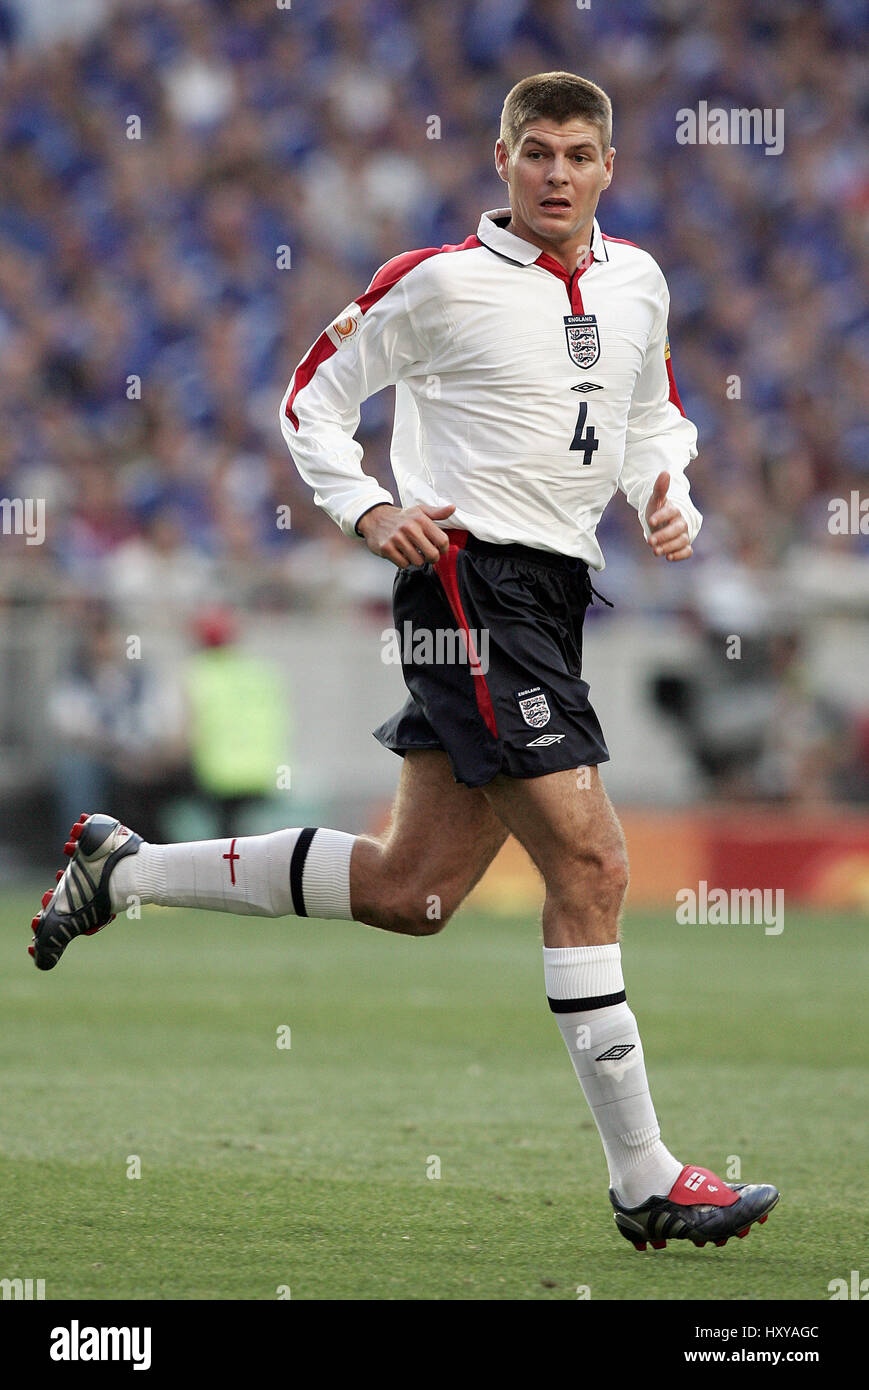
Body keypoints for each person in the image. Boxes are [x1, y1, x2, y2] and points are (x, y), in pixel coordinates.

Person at [30, 72, 778, 1252]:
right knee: (590, 859)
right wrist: (368, 509)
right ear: (499, 159)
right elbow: (309, 402)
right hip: (465, 578)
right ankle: (642, 1175)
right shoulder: (436, 283)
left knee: (411, 889)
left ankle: (123, 871)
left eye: (577, 155)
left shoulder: (637, 282)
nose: (555, 174)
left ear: (607, 168)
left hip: (556, 592)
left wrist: (665, 488)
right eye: (535, 151)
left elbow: (650, 415)